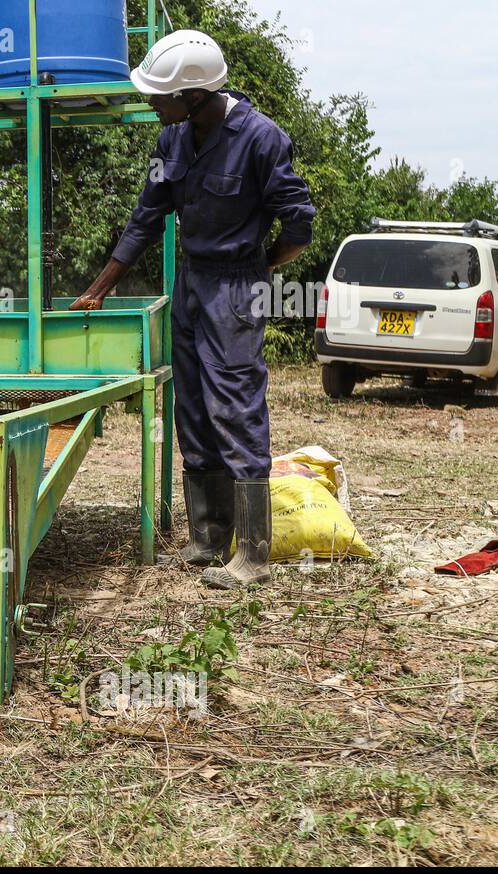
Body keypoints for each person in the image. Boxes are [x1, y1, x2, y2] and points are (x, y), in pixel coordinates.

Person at [73, 30, 316, 589]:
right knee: (194, 410)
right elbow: (147, 215)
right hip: (190, 284)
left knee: (235, 407)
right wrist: (104, 284)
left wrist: (260, 266)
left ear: (197, 95)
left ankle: (253, 555)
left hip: (234, 286)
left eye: (161, 97)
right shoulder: (173, 142)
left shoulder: (261, 139)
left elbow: (298, 224)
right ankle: (209, 536)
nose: (153, 106)